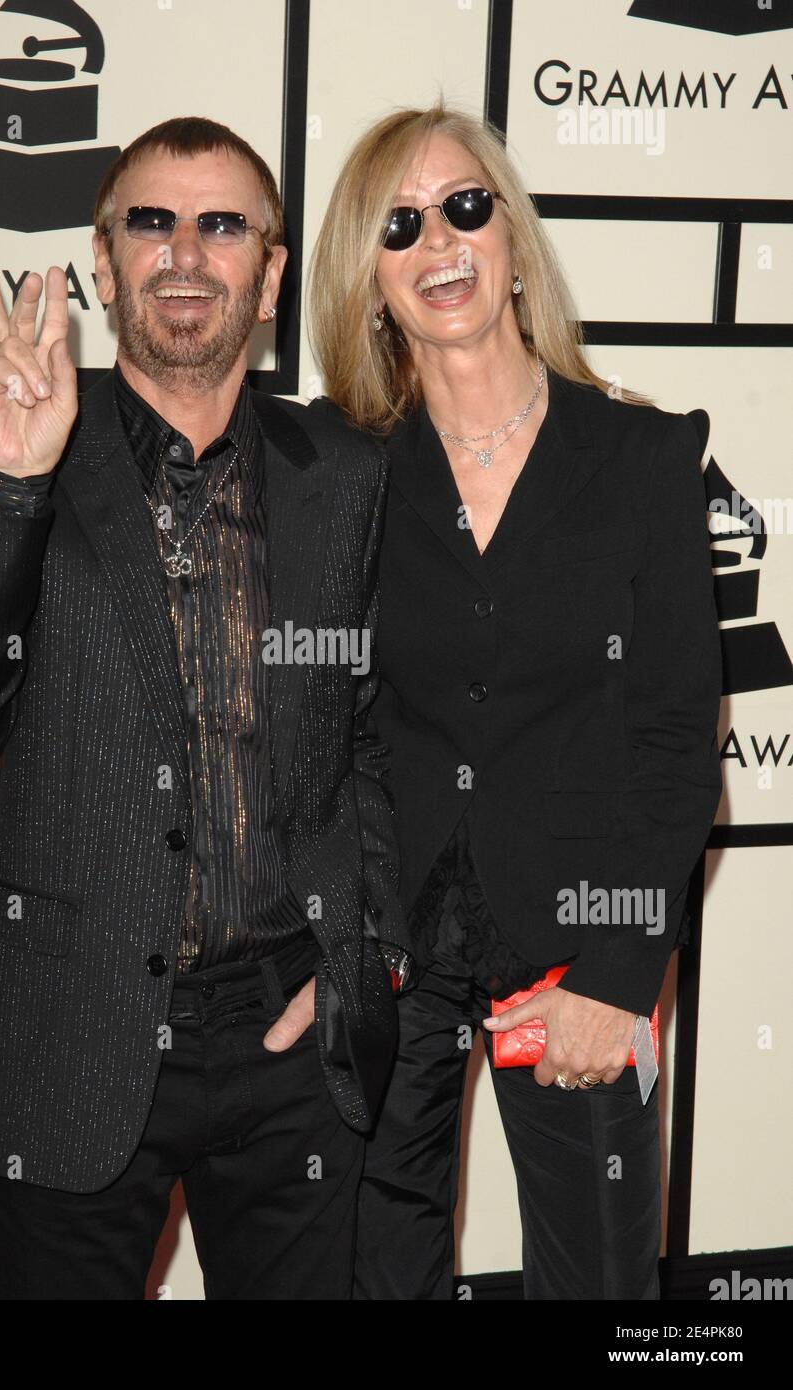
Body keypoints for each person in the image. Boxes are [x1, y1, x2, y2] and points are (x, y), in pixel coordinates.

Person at [0, 116, 414, 1300]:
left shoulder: (344, 476)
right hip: (73, 1029)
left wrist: (357, 953)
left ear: (271, 272)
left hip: (291, 1044)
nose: (187, 253)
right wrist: (12, 482)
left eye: (224, 225)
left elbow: (374, 736)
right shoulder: (24, 454)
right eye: (153, 222)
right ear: (105, 257)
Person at [307, 101, 723, 1299]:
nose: (438, 240)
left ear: (512, 238)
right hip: (391, 950)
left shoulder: (641, 461)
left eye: (464, 205)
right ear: (370, 278)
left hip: (577, 947)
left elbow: (675, 739)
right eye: (399, 224)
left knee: (598, 1282)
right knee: (375, 1275)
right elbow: (320, 725)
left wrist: (621, 971)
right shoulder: (344, 469)